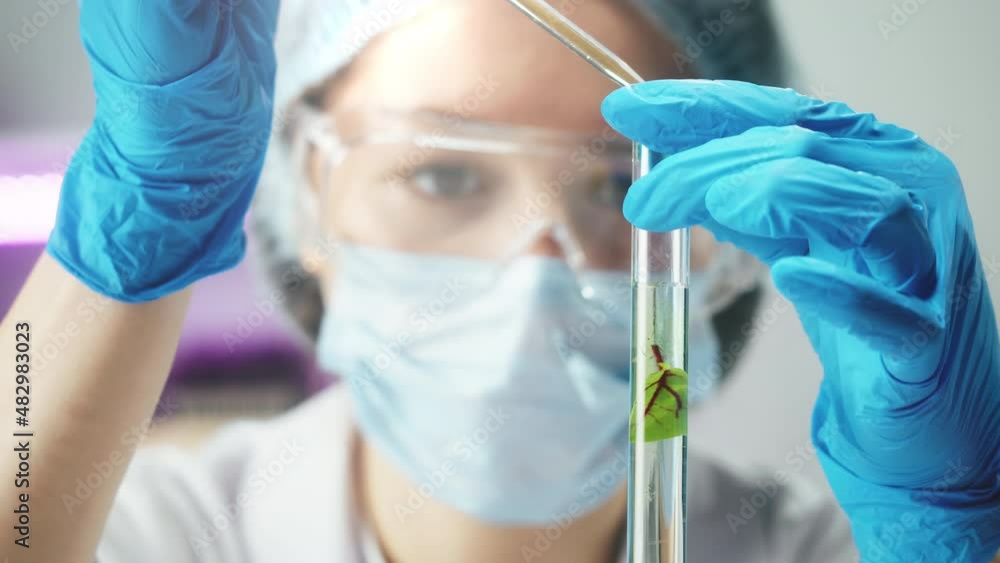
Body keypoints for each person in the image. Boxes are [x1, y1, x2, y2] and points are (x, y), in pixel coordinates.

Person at [1, 0, 998, 562]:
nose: (534, 272)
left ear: (721, 251)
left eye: (619, 187)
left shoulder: (839, 552)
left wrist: (955, 532)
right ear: (307, 207)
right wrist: (139, 217)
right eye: (442, 173)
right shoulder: (147, 529)